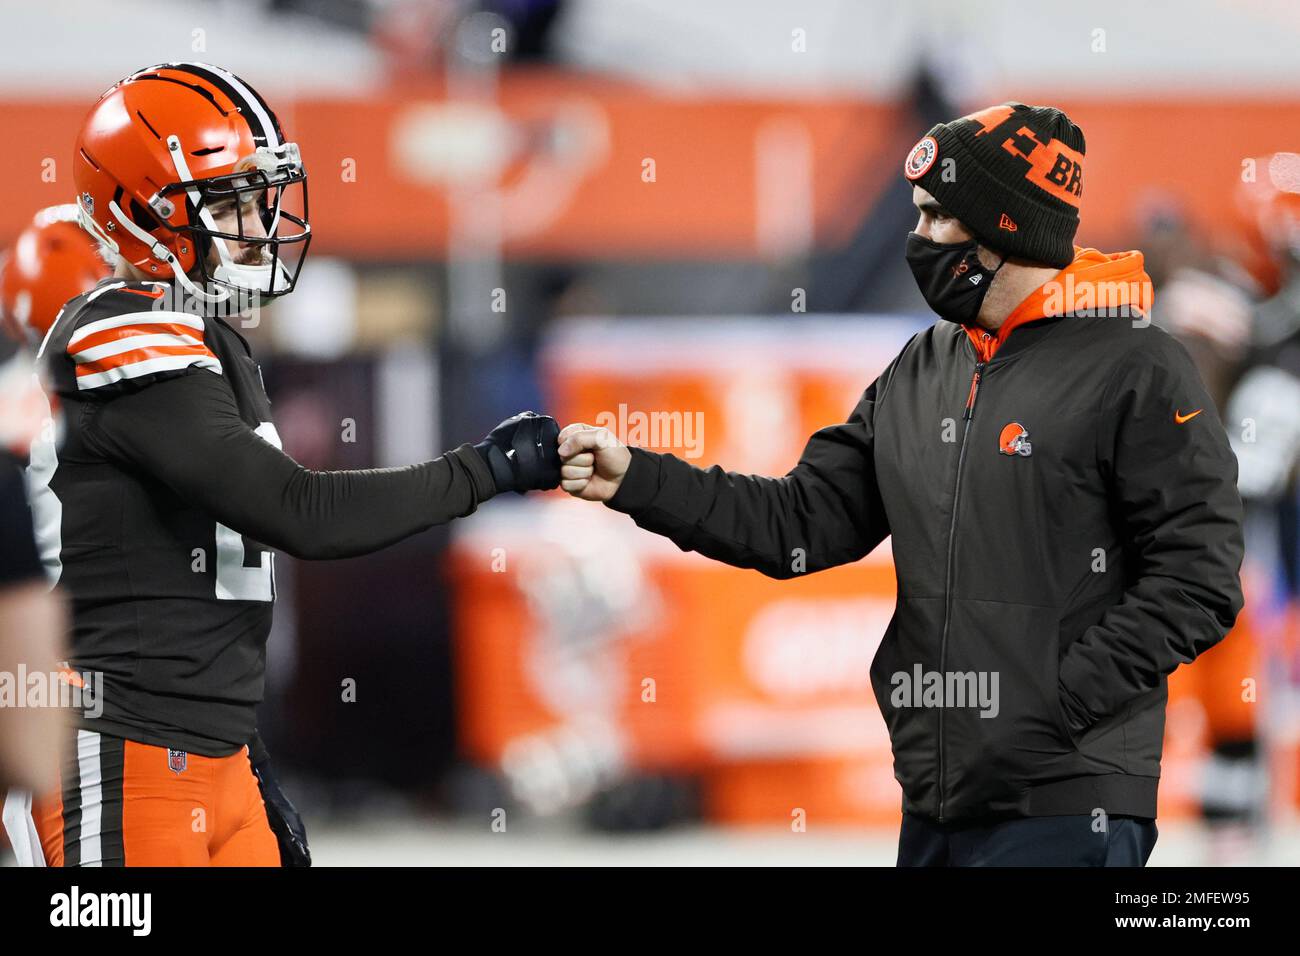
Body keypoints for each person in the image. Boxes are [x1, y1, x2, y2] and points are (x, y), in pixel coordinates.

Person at [557, 103, 1245, 866]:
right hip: (937, 799)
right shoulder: (923, 366)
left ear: (1008, 224)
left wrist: (1057, 701)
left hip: (1068, 800)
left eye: (939, 217)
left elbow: (1199, 575)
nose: (917, 239)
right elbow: (797, 523)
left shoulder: (1138, 365)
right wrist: (638, 480)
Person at [8, 62, 561, 867]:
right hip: (119, 748)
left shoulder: (209, 338)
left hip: (214, 749)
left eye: (262, 201)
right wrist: (487, 470)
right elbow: (296, 510)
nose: (260, 228)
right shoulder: (119, 332)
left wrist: (241, 749)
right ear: (139, 215)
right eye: (230, 204)